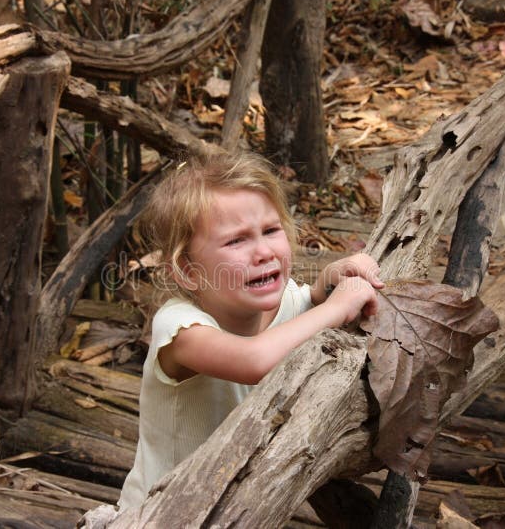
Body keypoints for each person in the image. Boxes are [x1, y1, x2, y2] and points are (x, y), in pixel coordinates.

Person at [118, 152, 383, 511]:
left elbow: (304, 304)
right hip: (163, 510)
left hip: (238, 502)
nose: (263, 252)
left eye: (271, 231)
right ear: (188, 271)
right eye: (236, 241)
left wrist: (329, 282)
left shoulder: (282, 301)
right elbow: (253, 360)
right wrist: (336, 308)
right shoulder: (179, 328)